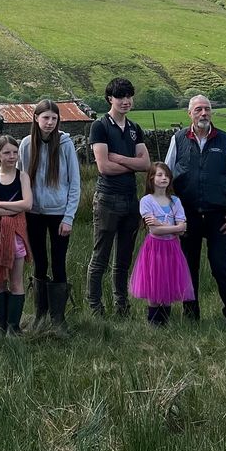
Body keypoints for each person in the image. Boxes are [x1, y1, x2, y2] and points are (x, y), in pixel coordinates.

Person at [164, 94, 226, 324]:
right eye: (199, 109)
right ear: (189, 113)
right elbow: (165, 176)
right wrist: (169, 212)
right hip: (187, 215)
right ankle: (191, 317)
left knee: (221, 266)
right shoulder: (178, 140)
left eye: (207, 109)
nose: (204, 114)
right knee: (188, 268)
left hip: (218, 216)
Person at [85, 77, 150, 317]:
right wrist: (134, 164)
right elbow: (104, 167)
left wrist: (121, 159)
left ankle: (121, 307)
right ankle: (95, 308)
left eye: (129, 96)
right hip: (107, 198)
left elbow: (146, 164)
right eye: (120, 96)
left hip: (131, 199)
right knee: (100, 257)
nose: (125, 101)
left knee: (123, 258)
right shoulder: (100, 126)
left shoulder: (135, 129)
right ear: (109, 99)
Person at [18, 99, 81, 335]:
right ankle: (40, 316)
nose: (50, 122)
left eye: (54, 118)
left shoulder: (65, 145)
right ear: (36, 118)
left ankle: (58, 319)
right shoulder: (26, 145)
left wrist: (69, 217)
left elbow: (74, 183)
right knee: (40, 263)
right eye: (45, 117)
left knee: (58, 263)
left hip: (58, 214)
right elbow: (21, 178)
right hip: (33, 213)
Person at [130, 162, 194, 324]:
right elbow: (155, 231)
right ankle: (153, 322)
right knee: (154, 282)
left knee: (168, 281)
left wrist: (162, 224)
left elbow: (182, 229)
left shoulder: (175, 201)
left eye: (166, 175)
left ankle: (164, 323)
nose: (163, 178)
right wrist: (175, 227)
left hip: (172, 247)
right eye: (159, 175)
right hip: (154, 247)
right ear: (151, 178)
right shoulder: (146, 201)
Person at [0, 135, 33, 336]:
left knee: (16, 281)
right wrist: (12, 211)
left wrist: (0, 204)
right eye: (6, 153)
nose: (12, 156)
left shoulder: (23, 177)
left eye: (14, 152)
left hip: (17, 236)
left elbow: (27, 204)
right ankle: (0, 327)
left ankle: (14, 327)